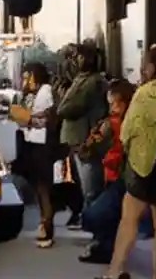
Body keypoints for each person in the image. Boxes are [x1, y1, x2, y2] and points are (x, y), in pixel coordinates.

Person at [97, 43, 156, 279]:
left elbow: (128, 129)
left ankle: (115, 270)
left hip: (143, 165)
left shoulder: (144, 93)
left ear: (152, 66)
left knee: (128, 220)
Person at [79, 79, 133, 264]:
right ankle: (106, 248)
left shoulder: (112, 123)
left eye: (116, 102)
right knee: (110, 214)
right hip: (115, 172)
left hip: (116, 173)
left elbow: (92, 145)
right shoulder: (121, 121)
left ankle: (105, 248)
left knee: (97, 212)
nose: (113, 106)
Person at [55, 43, 107, 228]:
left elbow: (67, 108)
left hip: (85, 139)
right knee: (82, 183)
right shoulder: (80, 79)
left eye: (77, 56)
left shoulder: (91, 82)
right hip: (77, 139)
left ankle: (93, 222)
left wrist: (63, 96)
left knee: (90, 186)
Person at [18, 63, 58, 247]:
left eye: (29, 77)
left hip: (43, 144)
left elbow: (47, 118)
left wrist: (27, 118)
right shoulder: (29, 94)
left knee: (44, 187)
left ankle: (47, 228)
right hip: (31, 142)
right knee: (38, 186)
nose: (26, 80)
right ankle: (43, 222)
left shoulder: (46, 91)